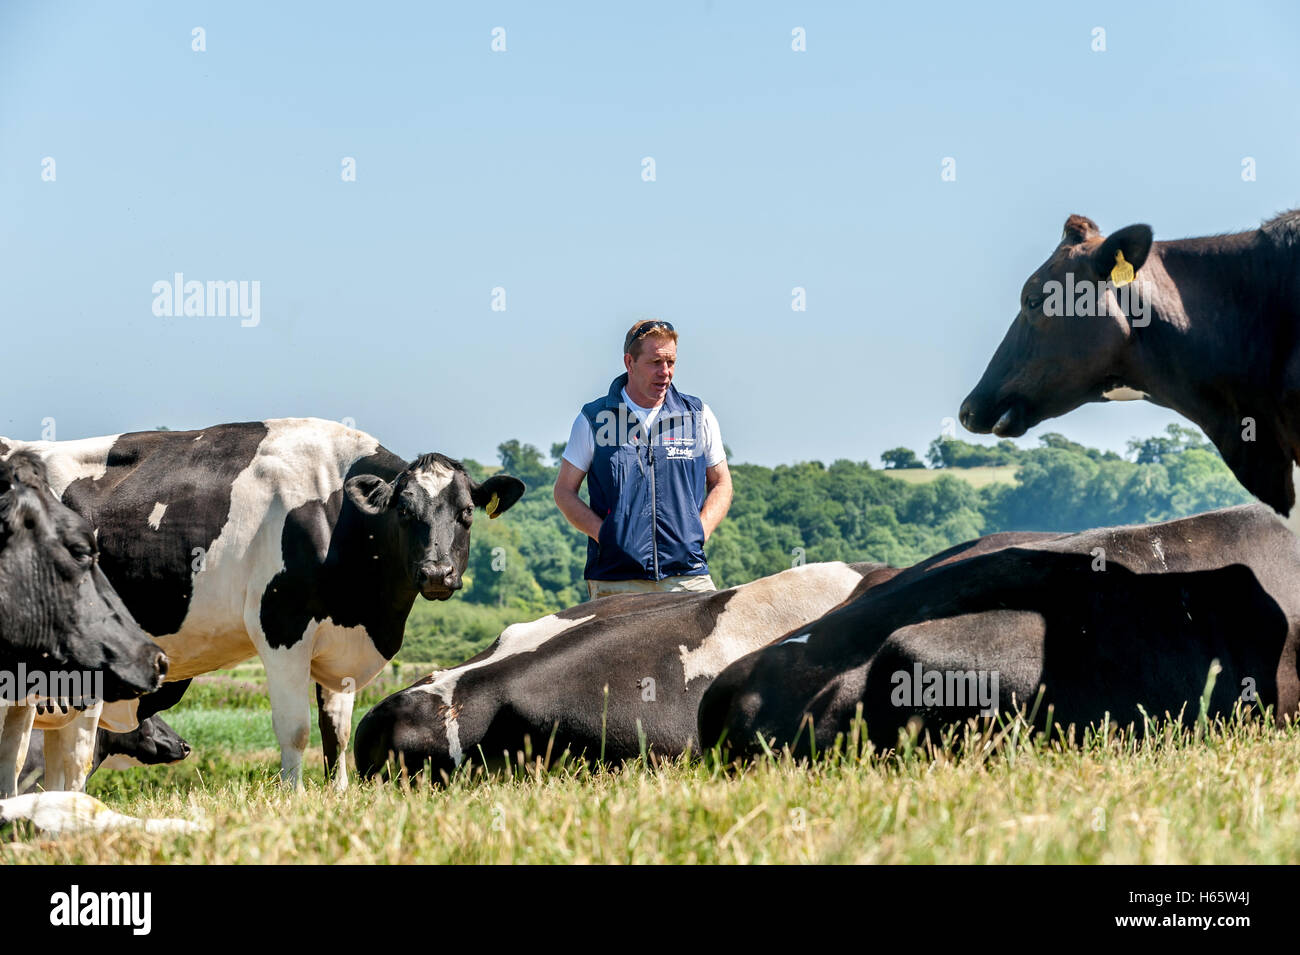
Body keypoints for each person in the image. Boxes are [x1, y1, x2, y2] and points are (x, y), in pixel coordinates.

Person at [554, 320, 732, 600]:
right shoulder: (594, 419)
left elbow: (722, 483)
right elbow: (564, 491)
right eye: (655, 362)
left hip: (687, 577)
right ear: (630, 362)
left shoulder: (697, 415)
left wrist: (700, 531)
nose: (665, 372)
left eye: (671, 362)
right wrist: (606, 536)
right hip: (615, 580)